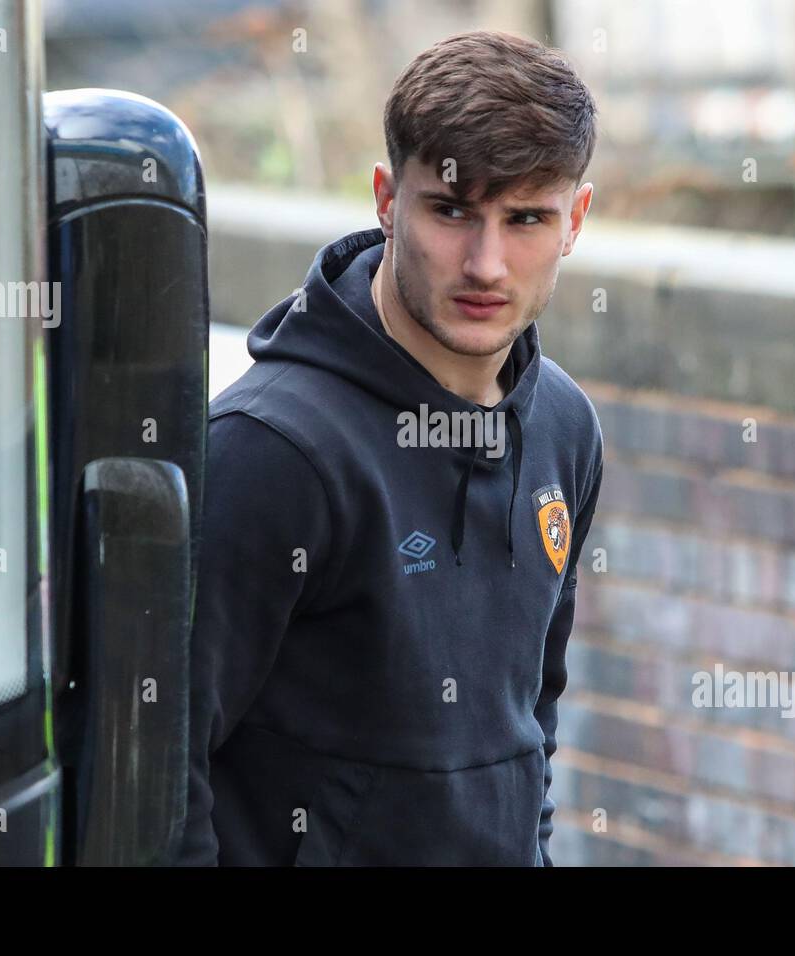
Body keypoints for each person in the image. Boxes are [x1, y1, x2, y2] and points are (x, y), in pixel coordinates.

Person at [181, 30, 603, 866]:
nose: (486, 263)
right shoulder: (269, 453)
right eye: (451, 211)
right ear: (385, 198)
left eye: (525, 219)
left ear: (575, 221)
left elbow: (532, 728)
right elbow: (153, 770)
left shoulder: (563, 427)